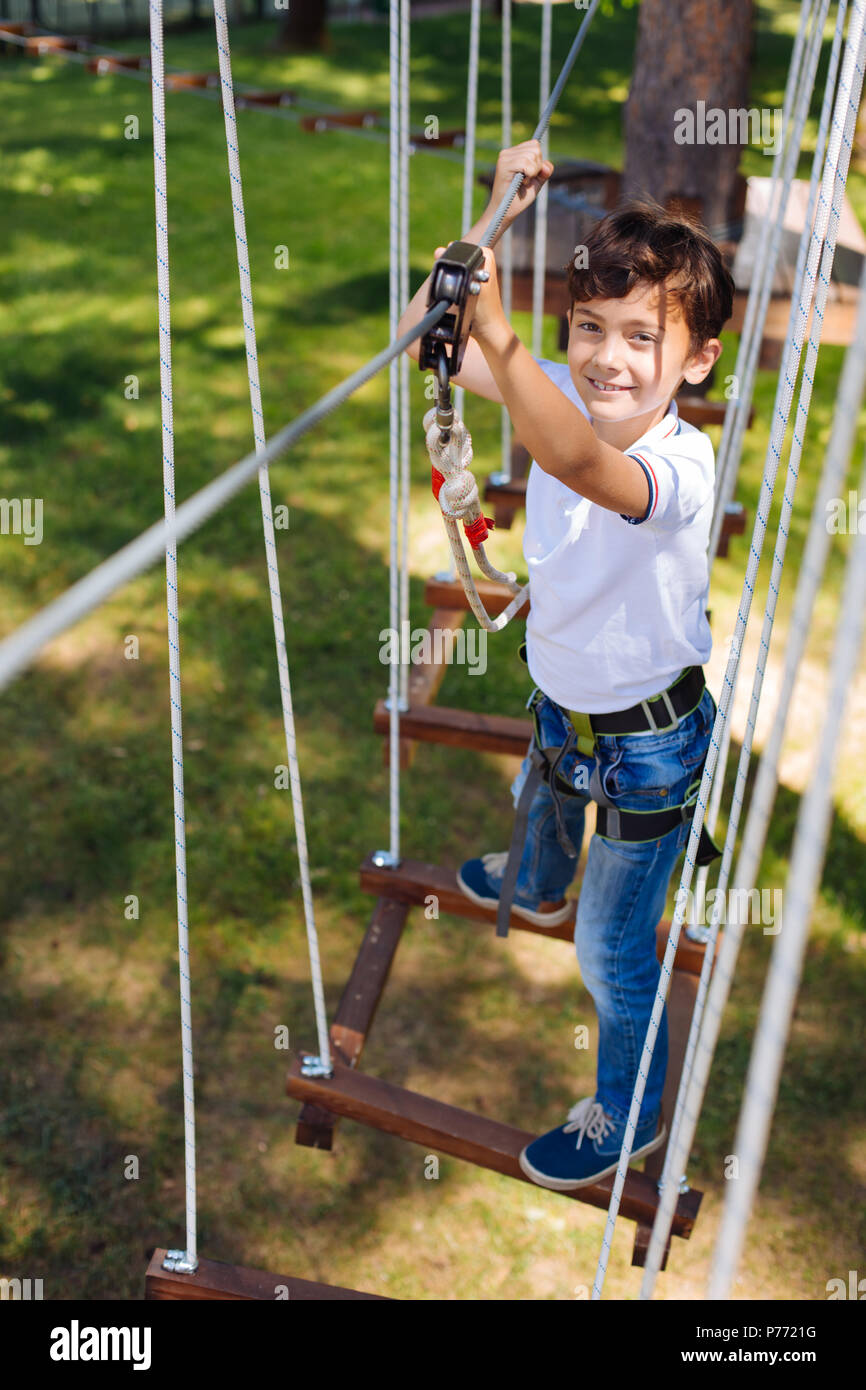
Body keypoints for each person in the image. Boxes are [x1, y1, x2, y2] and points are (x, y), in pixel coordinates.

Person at [397, 141, 734, 1190]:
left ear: (694, 362)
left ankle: (625, 1114)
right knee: (542, 787)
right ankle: (536, 880)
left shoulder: (675, 462)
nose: (606, 358)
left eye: (642, 337)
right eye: (588, 328)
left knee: (610, 952)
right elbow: (418, 329)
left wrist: (501, 340)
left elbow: (579, 463)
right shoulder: (550, 389)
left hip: (649, 743)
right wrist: (490, 222)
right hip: (568, 700)